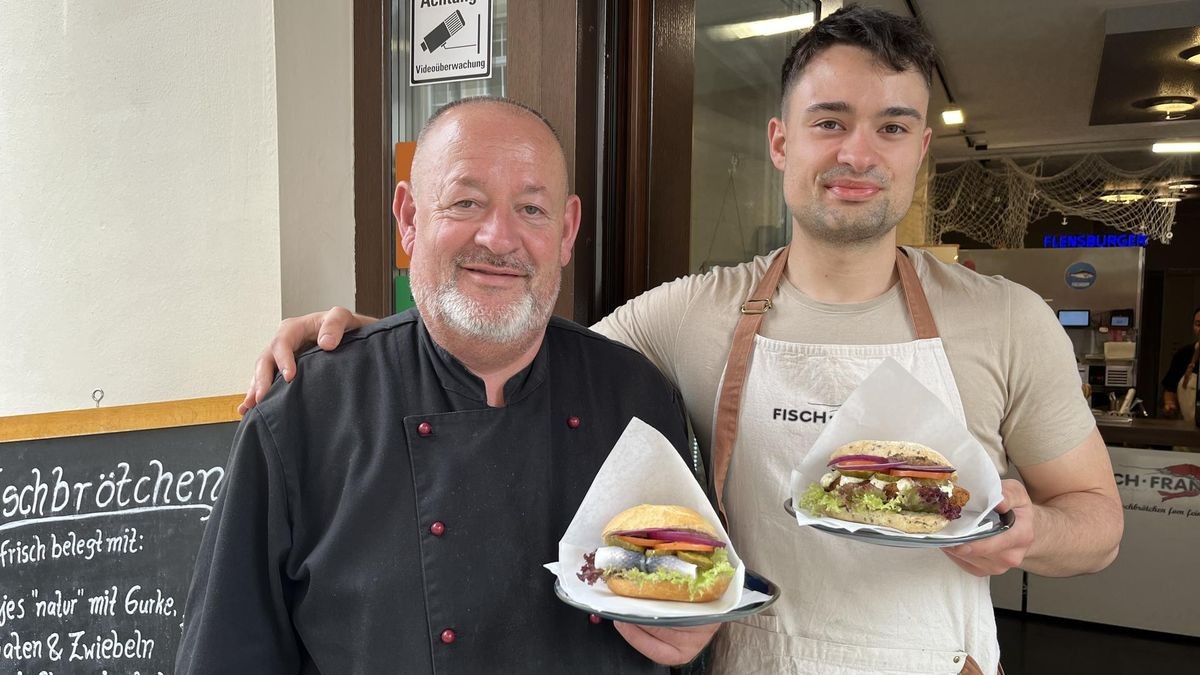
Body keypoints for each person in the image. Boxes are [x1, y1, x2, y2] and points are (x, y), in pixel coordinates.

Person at [244, 7, 1124, 674]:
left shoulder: (1009, 320)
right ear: (781, 142)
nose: (858, 152)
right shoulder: (689, 315)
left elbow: (1101, 525)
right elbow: (513, 332)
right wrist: (378, 342)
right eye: (829, 121)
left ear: (921, 149)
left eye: (891, 126)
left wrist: (1034, 530)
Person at [178, 97, 720, 673]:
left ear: (567, 231)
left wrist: (695, 630)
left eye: (532, 210)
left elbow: (697, 589)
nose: (499, 238)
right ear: (410, 218)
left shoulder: (636, 398)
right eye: (466, 202)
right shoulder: (305, 415)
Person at [1160, 306, 1200, 422]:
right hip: (1187, 431)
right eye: (1198, 324)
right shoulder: (1183, 355)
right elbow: (1170, 389)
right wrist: (1169, 404)